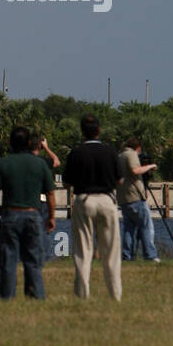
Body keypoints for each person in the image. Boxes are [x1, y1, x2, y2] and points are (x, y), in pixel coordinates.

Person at [0, 126, 55, 300]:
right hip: (34, 215)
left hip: (10, 215)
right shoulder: (39, 163)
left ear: (11, 143)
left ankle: (6, 297)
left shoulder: (4, 163)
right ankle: (36, 296)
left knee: (8, 259)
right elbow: (50, 193)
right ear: (29, 143)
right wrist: (52, 217)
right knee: (33, 260)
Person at [61, 114, 122, 301]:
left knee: (83, 251)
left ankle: (82, 293)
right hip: (106, 200)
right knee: (111, 251)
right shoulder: (110, 152)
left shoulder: (76, 153)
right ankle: (115, 294)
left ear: (82, 131)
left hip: (84, 200)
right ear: (99, 130)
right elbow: (119, 180)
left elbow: (66, 183)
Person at [117, 138, 159, 264]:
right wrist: (150, 166)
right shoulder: (132, 154)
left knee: (128, 229)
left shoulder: (120, 156)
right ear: (138, 147)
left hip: (124, 198)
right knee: (145, 226)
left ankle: (127, 255)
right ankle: (150, 255)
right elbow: (135, 170)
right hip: (136, 197)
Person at [29, 132, 61, 264]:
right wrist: (46, 147)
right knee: (43, 230)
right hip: (40, 200)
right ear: (39, 146)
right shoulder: (42, 161)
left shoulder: (24, 160)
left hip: (27, 200)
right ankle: (45, 257)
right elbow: (57, 162)